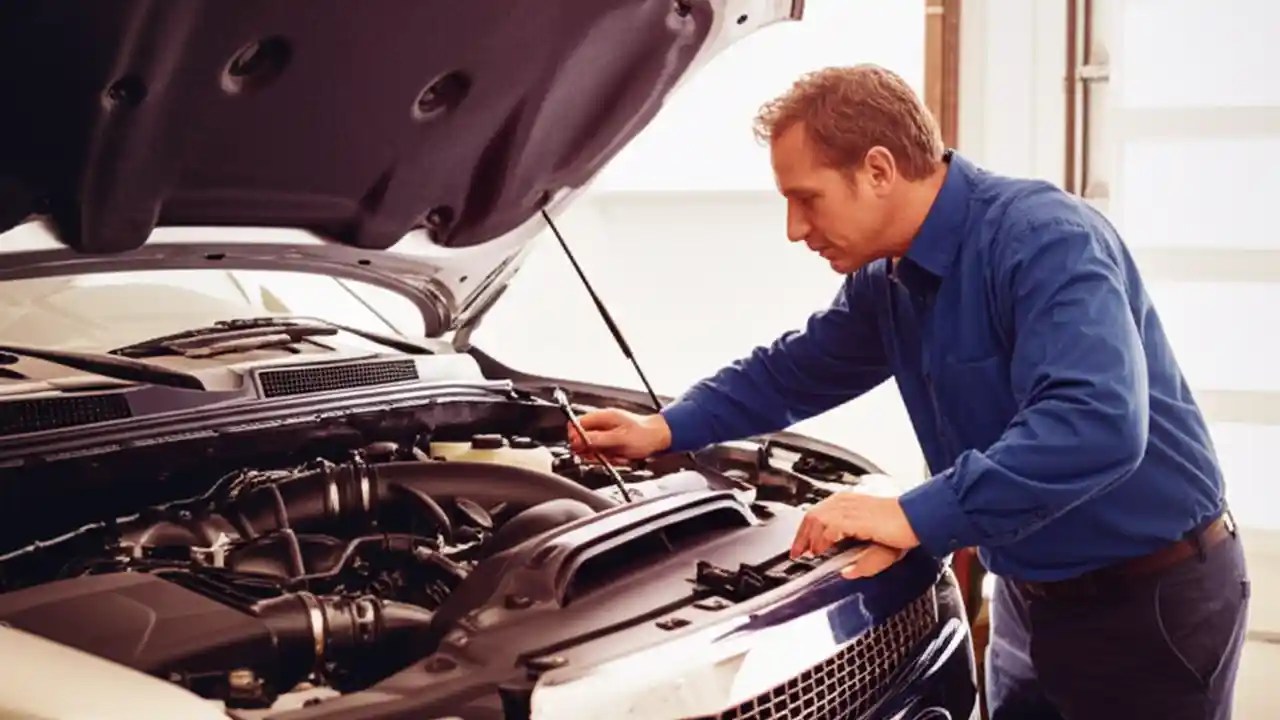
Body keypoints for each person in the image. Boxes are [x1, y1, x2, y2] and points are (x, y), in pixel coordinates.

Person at [566, 64, 1250, 719]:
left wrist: (913, 515)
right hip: (1027, 599)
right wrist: (666, 429)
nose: (794, 229)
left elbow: (1095, 425)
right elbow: (797, 369)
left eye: (807, 199)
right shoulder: (888, 281)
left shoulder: (1045, 241)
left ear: (878, 170)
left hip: (1147, 604)